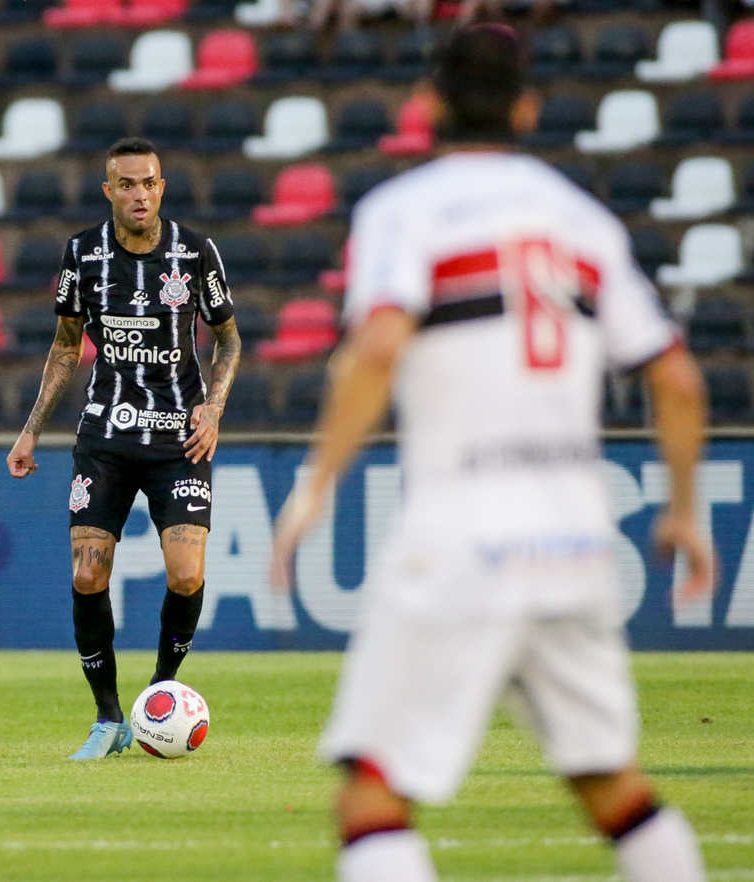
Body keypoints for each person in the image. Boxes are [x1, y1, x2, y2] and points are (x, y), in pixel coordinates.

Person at [270, 25, 712, 882]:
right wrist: (684, 508)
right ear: (527, 107)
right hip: (581, 543)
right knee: (609, 784)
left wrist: (315, 488)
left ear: (426, 106)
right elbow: (680, 376)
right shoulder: (581, 219)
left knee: (372, 796)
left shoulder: (405, 210)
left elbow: (380, 345)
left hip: (462, 538)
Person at [7, 137, 242, 760]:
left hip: (178, 440)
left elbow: (228, 339)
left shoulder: (194, 252)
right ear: (108, 190)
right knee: (88, 573)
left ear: (162, 187)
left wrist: (212, 409)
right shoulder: (83, 253)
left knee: (186, 573)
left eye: (151, 183)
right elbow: (64, 345)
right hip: (105, 435)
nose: (141, 194)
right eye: (128, 184)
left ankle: (160, 697)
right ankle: (109, 717)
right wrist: (32, 428)